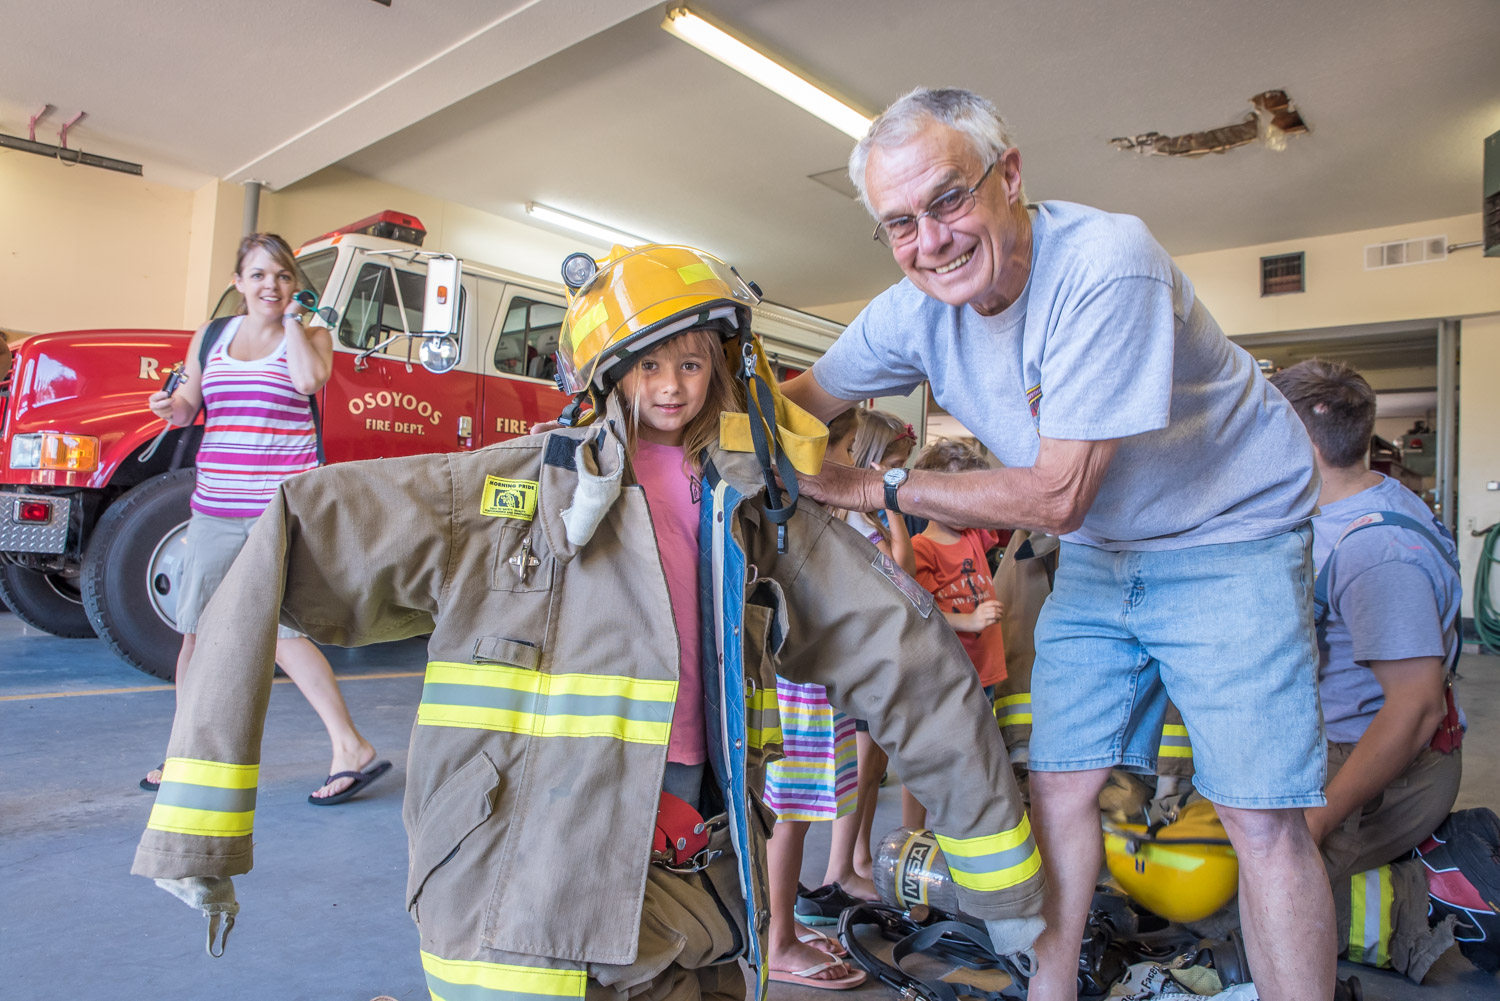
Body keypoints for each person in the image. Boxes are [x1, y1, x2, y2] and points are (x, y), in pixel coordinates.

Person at [131, 244, 1045, 1000]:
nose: (673, 386)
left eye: (693, 363)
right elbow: (293, 530)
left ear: (723, 368)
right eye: (649, 363)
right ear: (607, 370)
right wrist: (199, 829)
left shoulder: (754, 503)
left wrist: (1001, 885)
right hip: (518, 873)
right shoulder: (505, 488)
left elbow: (905, 655)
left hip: (697, 840)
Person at [780, 87, 1334, 1001]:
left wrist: (869, 484)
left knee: (1259, 816)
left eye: (948, 199)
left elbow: (1058, 494)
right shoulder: (911, 309)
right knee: (1058, 787)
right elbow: (795, 404)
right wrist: (674, 402)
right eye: (900, 223)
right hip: (1109, 550)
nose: (931, 240)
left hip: (1231, 533)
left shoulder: (1106, 265)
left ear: (1009, 176)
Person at [1269, 359, 1500, 979]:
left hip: (1378, 766)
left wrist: (1317, 822)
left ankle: (1433, 893)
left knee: (1239, 904)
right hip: (1335, 742)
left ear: (1301, 442)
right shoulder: (1358, 501)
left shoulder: (1375, 550)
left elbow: (1415, 707)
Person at [142, 233, 385, 804]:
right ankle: (185, 752)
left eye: (281, 275)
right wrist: (168, 407)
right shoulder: (212, 336)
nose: (269, 285)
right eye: (257, 275)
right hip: (214, 507)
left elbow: (307, 382)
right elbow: (187, 408)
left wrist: (295, 321)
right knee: (196, 632)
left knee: (280, 631)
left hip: (276, 510)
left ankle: (349, 746)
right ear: (238, 282)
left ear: (294, 284)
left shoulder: (313, 337)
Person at [761, 407, 866, 988]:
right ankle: (778, 941)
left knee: (796, 817)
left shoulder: (808, 519)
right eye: (848, 450)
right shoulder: (794, 523)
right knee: (790, 816)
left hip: (814, 686)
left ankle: (783, 926)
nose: (854, 462)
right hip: (799, 691)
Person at [811, 408, 918, 912]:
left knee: (866, 773)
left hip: (861, 654)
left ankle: (852, 863)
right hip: (855, 658)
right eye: (892, 468)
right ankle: (840, 872)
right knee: (855, 773)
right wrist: (891, 504)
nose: (899, 476)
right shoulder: (854, 514)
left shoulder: (857, 514)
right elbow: (901, 569)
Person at [904, 438, 1008, 830]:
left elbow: (997, 503)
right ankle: (913, 832)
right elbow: (923, 613)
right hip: (950, 675)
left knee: (973, 753)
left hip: (985, 671)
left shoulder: (974, 536)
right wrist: (971, 621)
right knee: (933, 754)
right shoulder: (921, 548)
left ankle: (960, 826)